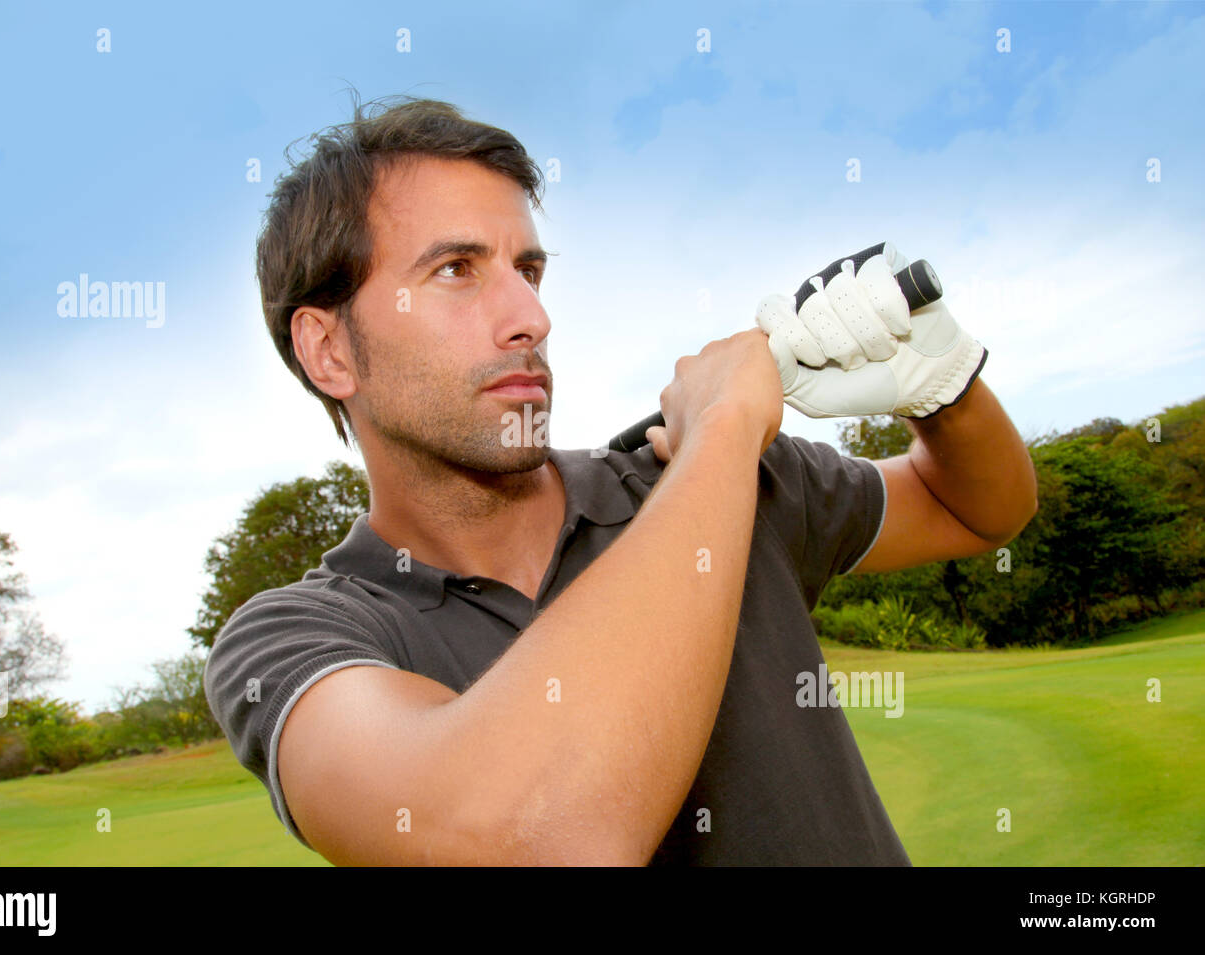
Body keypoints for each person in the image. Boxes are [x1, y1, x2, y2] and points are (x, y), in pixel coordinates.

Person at [203, 95, 1038, 866]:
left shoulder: (693, 479)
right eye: (456, 269)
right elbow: (533, 842)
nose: (531, 318)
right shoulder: (294, 639)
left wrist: (944, 391)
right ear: (329, 350)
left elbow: (976, 510)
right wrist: (721, 431)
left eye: (527, 270)